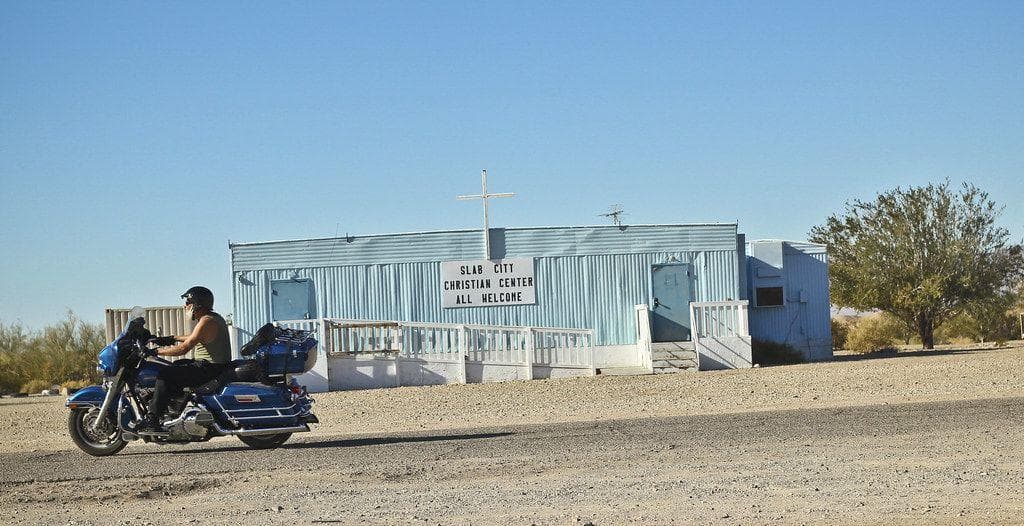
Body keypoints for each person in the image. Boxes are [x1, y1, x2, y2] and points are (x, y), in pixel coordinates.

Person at [137, 286, 232, 433]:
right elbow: (194, 337)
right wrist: (171, 338)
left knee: (165, 375)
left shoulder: (206, 321)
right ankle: (175, 408)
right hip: (212, 366)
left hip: (210, 369)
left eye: (188, 302)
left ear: (198, 305)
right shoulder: (212, 318)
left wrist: (154, 352)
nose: (185, 306)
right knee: (176, 365)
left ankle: (152, 419)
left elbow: (184, 349)